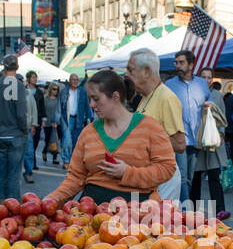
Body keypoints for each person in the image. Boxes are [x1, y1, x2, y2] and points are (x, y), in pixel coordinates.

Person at [46, 69, 176, 205]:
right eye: (90, 99)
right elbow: (75, 178)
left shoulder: (150, 127)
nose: (91, 105)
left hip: (139, 214)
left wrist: (127, 173)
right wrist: (50, 201)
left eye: (96, 99)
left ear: (115, 97)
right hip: (90, 215)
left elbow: (167, 168)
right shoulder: (89, 132)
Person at [126, 48, 185, 201]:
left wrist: (147, 137)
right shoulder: (144, 97)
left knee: (158, 223)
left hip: (163, 177)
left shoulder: (166, 98)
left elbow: (179, 145)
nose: (127, 75)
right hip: (147, 175)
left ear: (146, 71)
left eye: (131, 70)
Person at [164, 48, 210, 203]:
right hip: (178, 137)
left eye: (181, 62)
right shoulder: (169, 85)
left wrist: (208, 106)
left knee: (190, 176)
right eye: (176, 62)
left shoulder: (202, 84)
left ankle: (182, 206)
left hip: (196, 138)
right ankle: (185, 209)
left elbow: (210, 104)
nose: (177, 66)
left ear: (191, 65)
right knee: (182, 176)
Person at [0, 54, 30, 200]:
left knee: (1, 173)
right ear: (16, 67)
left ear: (4, 67)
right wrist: (24, 130)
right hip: (16, 134)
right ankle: (13, 206)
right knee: (14, 174)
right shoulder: (19, 85)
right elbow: (21, 113)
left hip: (1, 133)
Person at [189, 90, 229, 220]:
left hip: (213, 141)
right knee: (196, 177)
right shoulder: (194, 92)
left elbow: (222, 115)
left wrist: (221, 134)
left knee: (214, 176)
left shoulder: (217, 95)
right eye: (204, 76)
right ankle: (194, 212)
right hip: (198, 141)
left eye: (209, 77)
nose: (206, 79)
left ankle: (219, 211)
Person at [59, 73, 88, 168]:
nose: (75, 81)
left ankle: (73, 160)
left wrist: (89, 117)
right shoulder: (64, 91)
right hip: (66, 119)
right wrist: (56, 119)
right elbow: (59, 106)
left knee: (77, 141)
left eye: (77, 80)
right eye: (73, 79)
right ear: (69, 81)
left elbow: (86, 105)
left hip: (78, 119)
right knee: (67, 140)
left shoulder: (82, 92)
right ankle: (66, 160)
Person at [22, 70, 40, 181]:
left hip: (27, 127)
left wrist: (33, 125)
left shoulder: (28, 94)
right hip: (14, 128)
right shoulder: (11, 95)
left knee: (29, 151)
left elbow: (34, 110)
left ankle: (28, 172)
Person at [40, 82, 61, 165]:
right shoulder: (45, 99)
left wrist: (56, 122)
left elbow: (59, 111)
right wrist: (43, 121)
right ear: (50, 89)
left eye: (57, 89)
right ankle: (44, 151)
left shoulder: (58, 100)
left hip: (57, 123)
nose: (55, 91)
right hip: (48, 122)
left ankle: (54, 158)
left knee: (56, 140)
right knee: (48, 140)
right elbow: (43, 111)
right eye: (54, 89)